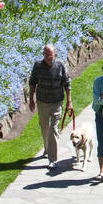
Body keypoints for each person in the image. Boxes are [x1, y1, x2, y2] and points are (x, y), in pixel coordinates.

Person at [29, 43, 71, 174]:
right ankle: (47, 149)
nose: (48, 57)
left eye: (51, 55)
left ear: (55, 55)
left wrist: (69, 102)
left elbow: (67, 83)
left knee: (53, 128)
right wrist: (31, 100)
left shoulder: (60, 66)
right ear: (43, 54)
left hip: (57, 102)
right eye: (46, 55)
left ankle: (52, 159)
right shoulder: (37, 66)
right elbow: (32, 82)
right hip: (42, 102)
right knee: (44, 127)